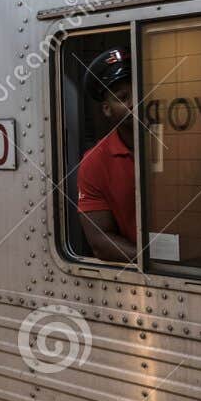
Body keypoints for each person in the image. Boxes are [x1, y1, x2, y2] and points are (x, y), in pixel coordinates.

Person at [76, 48, 139, 263]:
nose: (134, 103)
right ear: (107, 109)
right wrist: (154, 262)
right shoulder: (95, 163)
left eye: (140, 91)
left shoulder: (184, 144)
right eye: (122, 98)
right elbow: (100, 240)